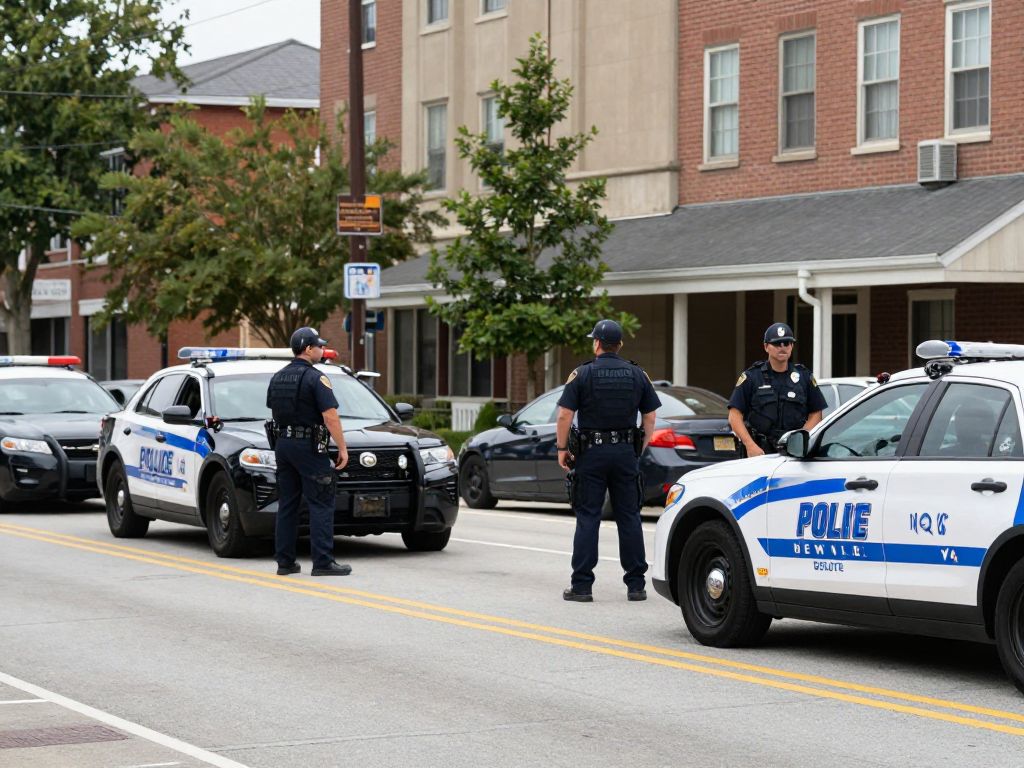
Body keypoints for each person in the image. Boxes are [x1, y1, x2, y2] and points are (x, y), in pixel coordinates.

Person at [555, 319, 661, 602]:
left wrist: (562, 448)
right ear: (620, 345)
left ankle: (582, 586)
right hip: (625, 453)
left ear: (597, 343)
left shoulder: (582, 374)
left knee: (588, 517)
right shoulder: (637, 374)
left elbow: (565, 415)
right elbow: (650, 416)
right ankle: (636, 586)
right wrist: (639, 446)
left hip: (591, 454)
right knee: (629, 516)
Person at [266, 327, 351, 576]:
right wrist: (342, 448)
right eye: (319, 346)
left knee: (288, 504)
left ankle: (285, 562)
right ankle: (323, 562)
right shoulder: (315, 378)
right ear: (307, 349)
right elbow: (330, 417)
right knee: (321, 501)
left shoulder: (278, 377)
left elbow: (274, 409)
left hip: (283, 445)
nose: (322, 349)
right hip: (308, 447)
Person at [729, 322, 827, 457]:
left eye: (786, 343)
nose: (782, 347)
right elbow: (734, 416)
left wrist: (799, 439)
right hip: (759, 453)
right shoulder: (752, 377)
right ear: (766, 347)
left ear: (792, 346)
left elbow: (816, 414)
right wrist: (750, 445)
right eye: (777, 344)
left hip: (794, 454)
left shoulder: (804, 377)